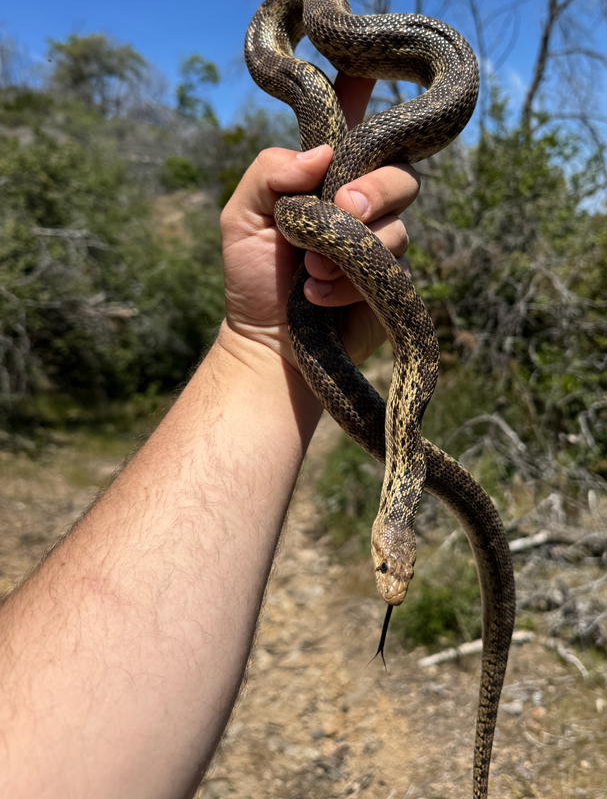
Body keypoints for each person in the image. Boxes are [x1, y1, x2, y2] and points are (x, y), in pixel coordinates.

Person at [0, 74, 420, 799]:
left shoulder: (406, 453)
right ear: (389, 536)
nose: (387, 577)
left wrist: (265, 346)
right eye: (390, 567)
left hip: (294, 320)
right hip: (297, 302)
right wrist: (264, 337)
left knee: (339, 191)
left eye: (389, 571)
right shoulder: (406, 446)